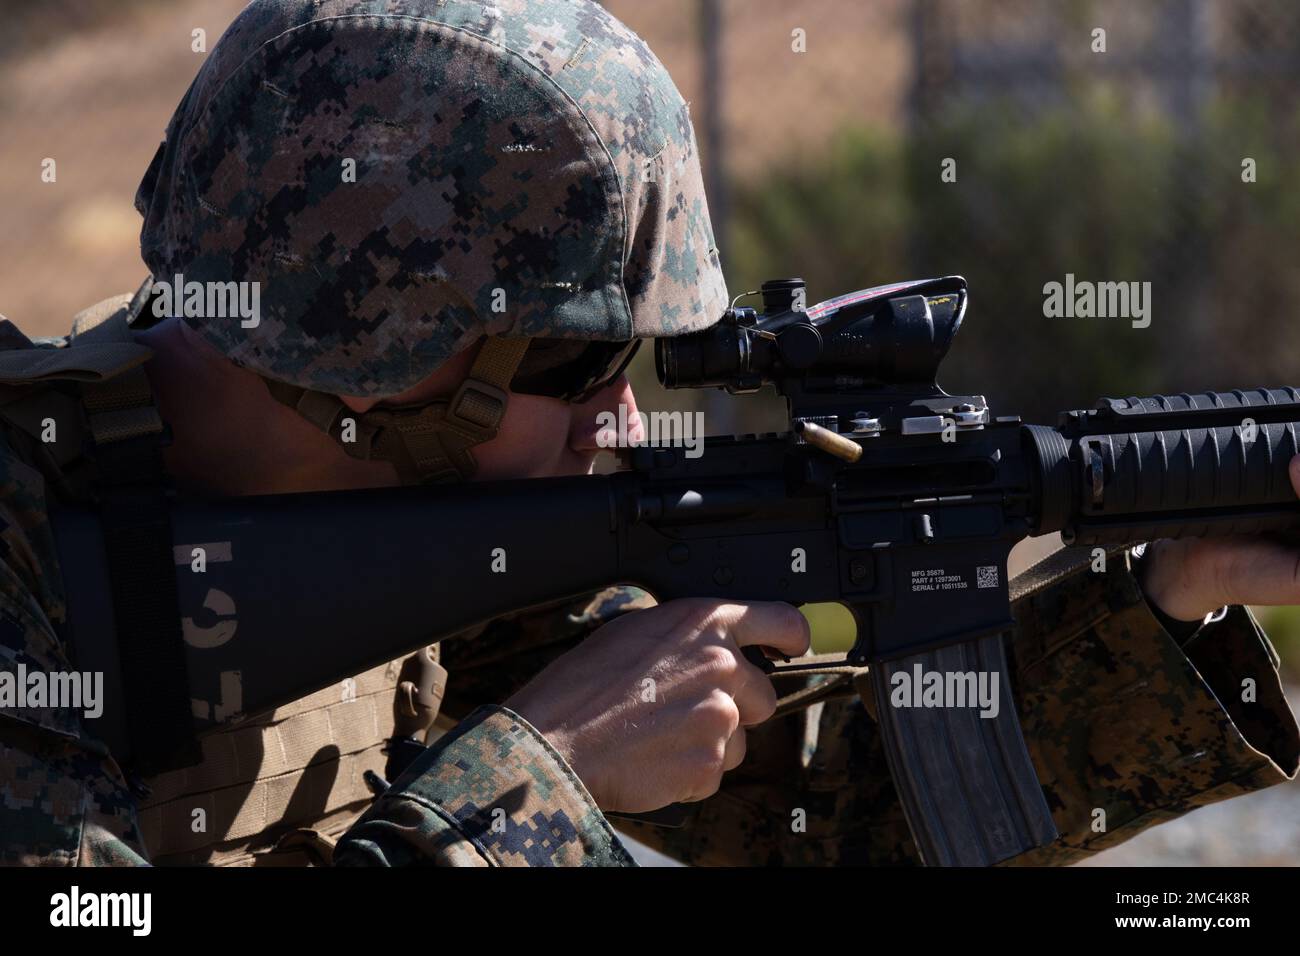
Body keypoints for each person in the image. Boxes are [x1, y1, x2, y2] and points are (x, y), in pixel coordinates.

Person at [1, 0, 1295, 868]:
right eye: (576, 360)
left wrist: (1169, 602)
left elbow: (818, 819)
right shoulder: (27, 562)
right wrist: (542, 773)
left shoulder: (435, 538)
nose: (622, 414)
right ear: (381, 341)